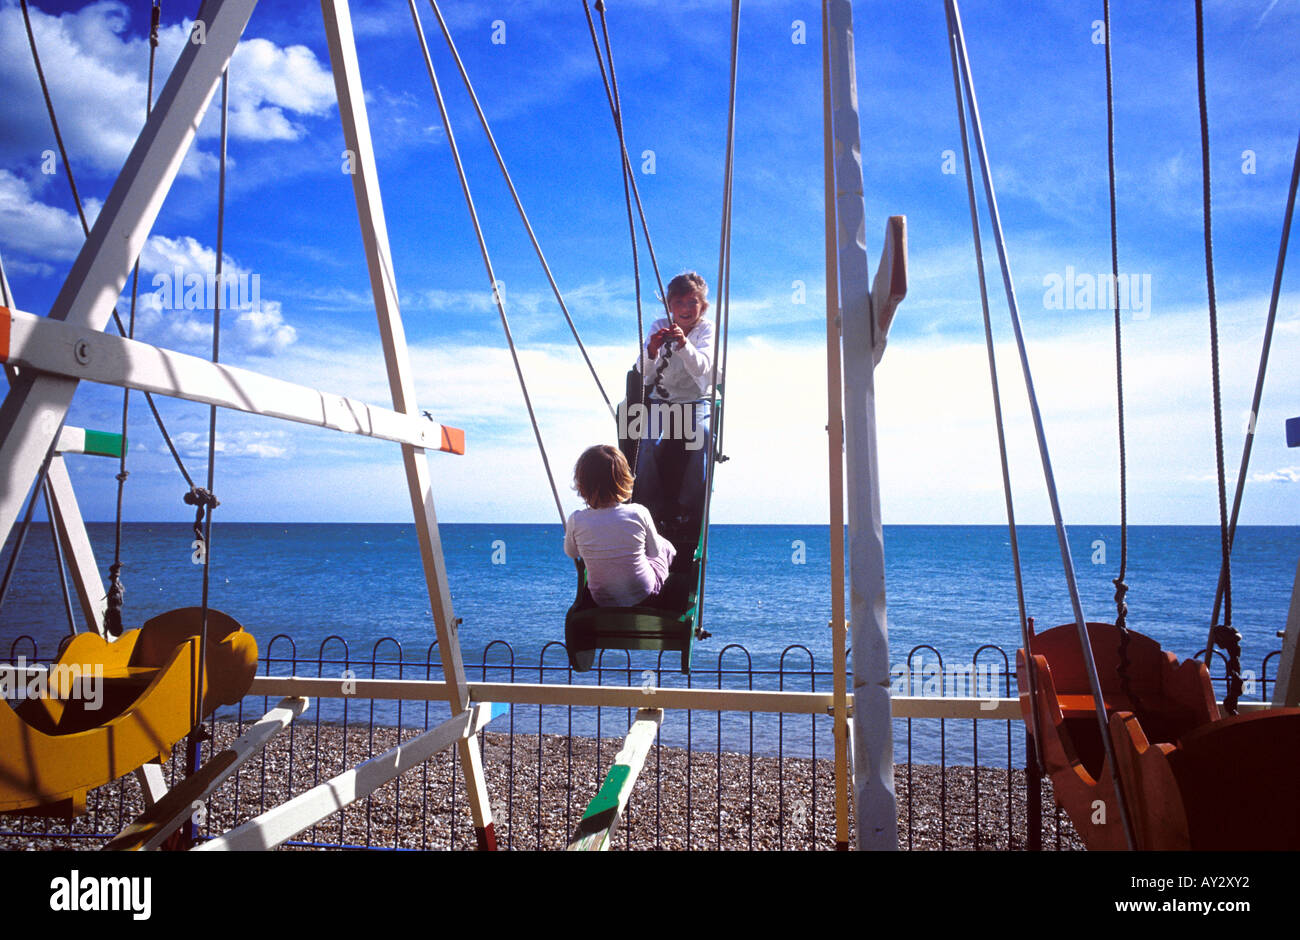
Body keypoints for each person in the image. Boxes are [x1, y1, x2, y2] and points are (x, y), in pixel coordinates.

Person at [630, 271, 720, 531]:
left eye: (692, 302)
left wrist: (683, 344)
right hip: (662, 400)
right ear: (670, 306)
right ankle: (647, 510)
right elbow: (643, 371)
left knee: (702, 438)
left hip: (695, 400)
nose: (685, 308)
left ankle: (689, 511)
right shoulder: (659, 326)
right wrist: (651, 350)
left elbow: (703, 367)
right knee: (645, 444)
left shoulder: (706, 329)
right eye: (678, 302)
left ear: (702, 306)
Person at [564, 444, 676, 608]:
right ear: (624, 479)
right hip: (645, 596)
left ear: (582, 484)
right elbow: (653, 552)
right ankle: (673, 581)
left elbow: (571, 552)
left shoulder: (576, 519)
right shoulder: (639, 512)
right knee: (664, 546)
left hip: (602, 600)